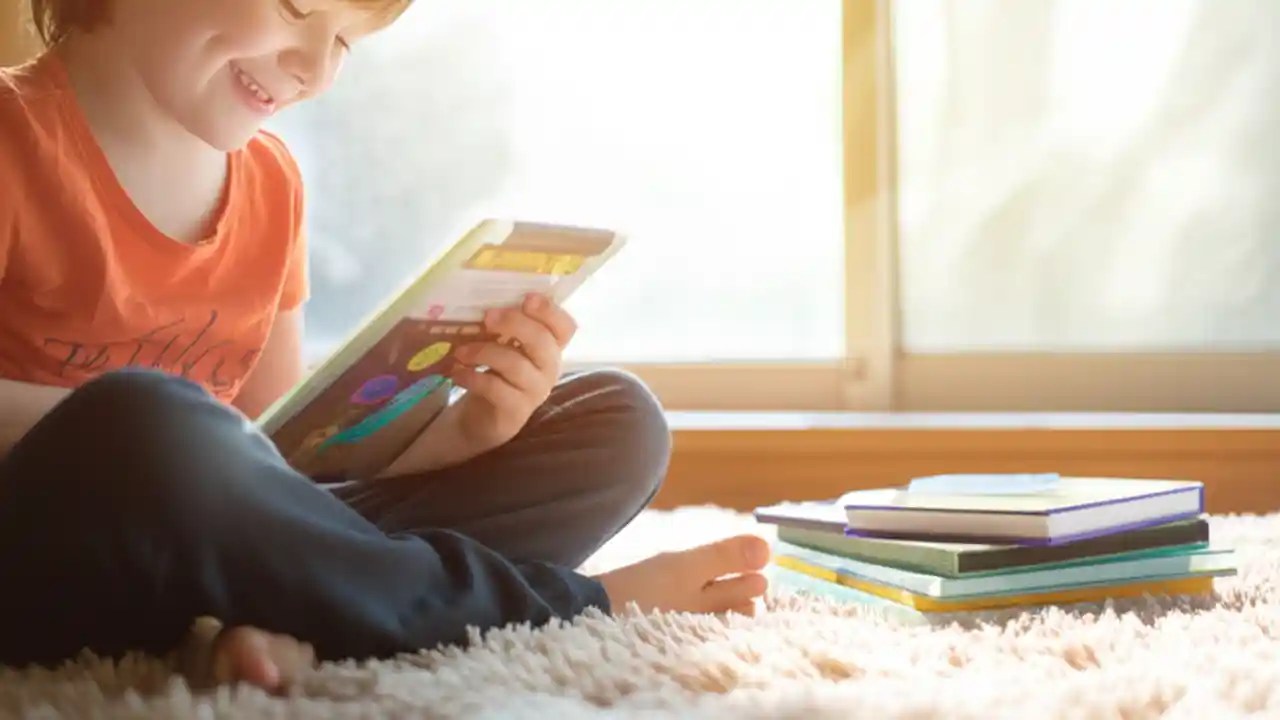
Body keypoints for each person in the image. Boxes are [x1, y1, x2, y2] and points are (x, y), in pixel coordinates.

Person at [0, 0, 770, 692]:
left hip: (219, 542)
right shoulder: (13, 137)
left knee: (615, 420)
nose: (316, 69)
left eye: (344, 41)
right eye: (297, 8)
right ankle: (559, 606)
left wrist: (458, 437)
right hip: (45, 562)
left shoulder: (272, 185)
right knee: (149, 426)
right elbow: (203, 454)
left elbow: (286, 460)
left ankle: (308, 611)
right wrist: (152, 432)